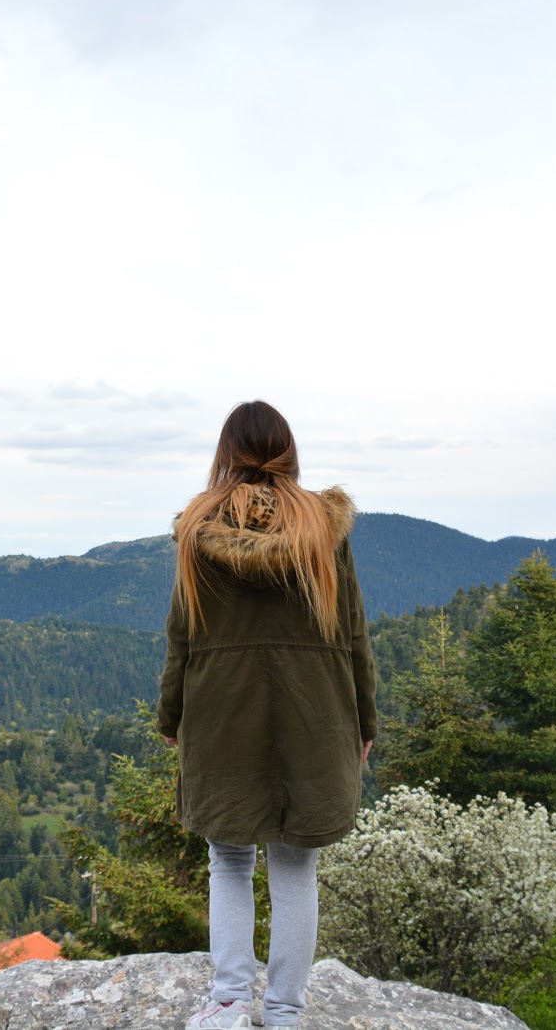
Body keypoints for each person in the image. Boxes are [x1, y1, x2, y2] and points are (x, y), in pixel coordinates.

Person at [157, 400, 377, 1030]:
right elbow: (354, 633)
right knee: (296, 863)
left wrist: (171, 716)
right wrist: (364, 722)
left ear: (225, 454)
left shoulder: (198, 531)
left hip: (221, 712)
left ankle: (228, 1001)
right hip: (317, 714)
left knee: (228, 859)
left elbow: (182, 637)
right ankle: (283, 1011)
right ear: (289, 453)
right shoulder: (323, 530)